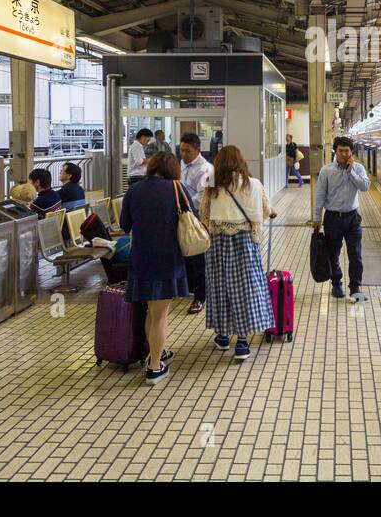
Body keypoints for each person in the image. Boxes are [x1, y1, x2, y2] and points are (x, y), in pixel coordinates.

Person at [118, 152, 192, 386]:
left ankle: (157, 353)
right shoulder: (176, 188)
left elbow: (124, 224)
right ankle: (154, 368)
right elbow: (193, 218)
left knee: (152, 311)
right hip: (167, 259)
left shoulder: (135, 189)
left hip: (141, 258)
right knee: (160, 315)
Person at [199, 145, 276, 362]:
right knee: (245, 290)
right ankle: (242, 342)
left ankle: (223, 336)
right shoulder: (253, 184)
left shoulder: (211, 186)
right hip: (244, 244)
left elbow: (204, 216)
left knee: (220, 288)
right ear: (241, 162)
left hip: (218, 245)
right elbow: (266, 209)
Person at [311, 136, 370, 302]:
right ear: (335, 152)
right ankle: (336, 283)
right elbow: (320, 195)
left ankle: (356, 288)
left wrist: (351, 172)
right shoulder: (326, 170)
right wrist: (317, 218)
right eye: (340, 151)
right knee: (333, 253)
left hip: (352, 218)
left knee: (356, 254)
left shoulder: (358, 168)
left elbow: (365, 187)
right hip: (332, 218)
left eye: (346, 151)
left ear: (351, 152)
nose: (343, 154)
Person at [178, 133, 212, 315]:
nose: (183, 154)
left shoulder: (206, 169)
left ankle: (200, 296)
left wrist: (183, 202)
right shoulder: (181, 164)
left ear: (197, 150)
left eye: (188, 151)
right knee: (185, 256)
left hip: (196, 217)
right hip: (181, 216)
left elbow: (203, 197)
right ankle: (187, 289)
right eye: (182, 150)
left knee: (197, 257)